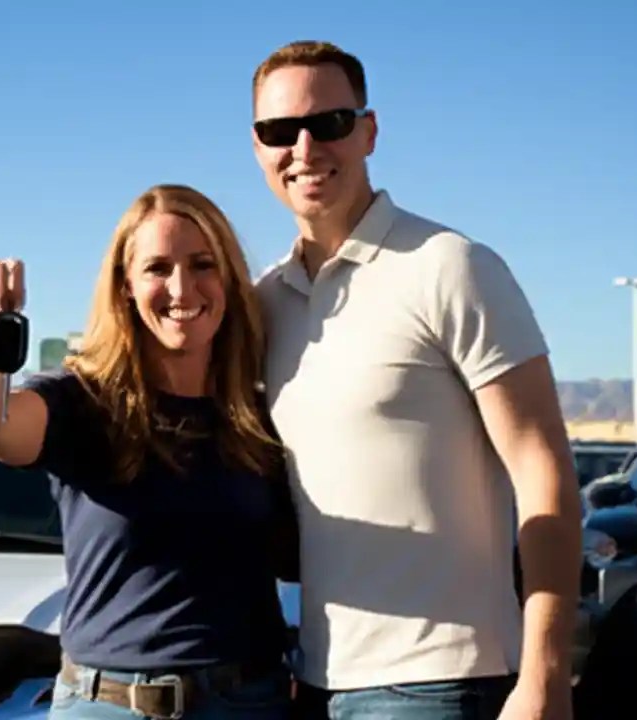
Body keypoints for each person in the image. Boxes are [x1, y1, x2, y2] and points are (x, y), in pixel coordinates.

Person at [247, 41, 583, 720]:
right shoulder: (262, 305)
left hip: (442, 684)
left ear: (369, 131)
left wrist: (545, 674)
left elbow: (543, 471)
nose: (305, 148)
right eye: (280, 131)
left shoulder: (451, 266)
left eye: (330, 123)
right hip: (310, 683)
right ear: (258, 148)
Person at [0, 183, 299, 720]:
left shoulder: (259, 414)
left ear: (229, 279)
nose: (182, 288)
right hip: (110, 704)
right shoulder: (80, 403)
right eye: (158, 268)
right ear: (125, 288)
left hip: (249, 700)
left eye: (203, 264)